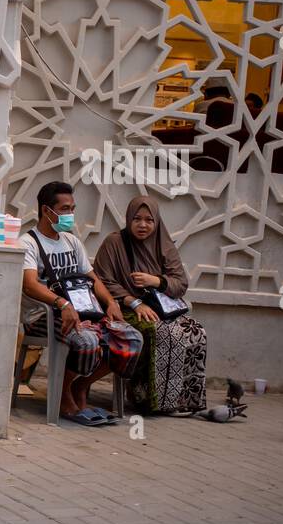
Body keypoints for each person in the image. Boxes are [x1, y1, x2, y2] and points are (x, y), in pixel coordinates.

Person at [20, 181, 143, 423]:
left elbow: (92, 278)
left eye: (72, 208)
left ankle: (80, 385)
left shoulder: (71, 242)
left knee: (131, 340)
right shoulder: (29, 243)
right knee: (87, 341)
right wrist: (62, 305)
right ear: (47, 211)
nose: (70, 214)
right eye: (65, 209)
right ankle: (63, 393)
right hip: (44, 316)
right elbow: (30, 284)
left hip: (83, 310)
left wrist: (109, 303)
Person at [92, 196, 207, 414]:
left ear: (156, 222)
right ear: (128, 219)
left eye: (149, 220)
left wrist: (157, 281)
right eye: (137, 219)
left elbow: (180, 283)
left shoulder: (164, 244)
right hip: (124, 307)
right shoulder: (114, 243)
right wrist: (134, 302)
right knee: (162, 333)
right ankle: (149, 400)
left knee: (195, 332)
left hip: (160, 307)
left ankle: (185, 401)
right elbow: (102, 279)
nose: (143, 225)